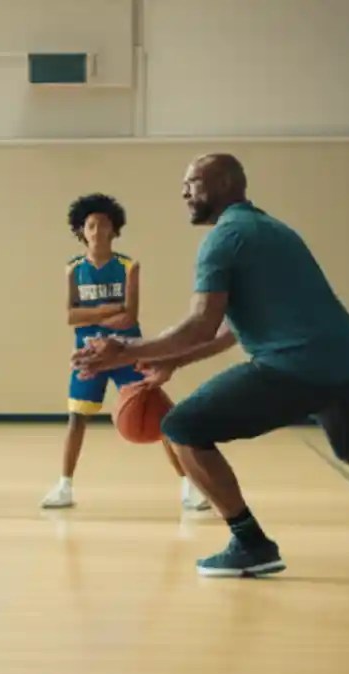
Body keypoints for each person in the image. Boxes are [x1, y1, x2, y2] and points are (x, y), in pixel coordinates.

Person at [72, 154, 349, 577]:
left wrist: (124, 349)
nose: (184, 191)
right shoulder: (274, 231)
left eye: (193, 182)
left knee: (181, 427)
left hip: (294, 367)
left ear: (227, 183)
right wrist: (172, 360)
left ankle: (251, 543)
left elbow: (200, 323)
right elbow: (231, 329)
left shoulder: (223, 239)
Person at [42, 193, 210, 512]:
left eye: (103, 224)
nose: (96, 230)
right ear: (81, 230)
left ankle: (189, 486)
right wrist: (109, 309)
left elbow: (129, 317)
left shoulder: (128, 266)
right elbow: (70, 316)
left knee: (158, 414)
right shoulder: (73, 269)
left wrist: (92, 312)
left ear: (113, 229)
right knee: (76, 418)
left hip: (126, 351)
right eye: (90, 225)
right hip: (88, 355)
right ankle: (64, 486)